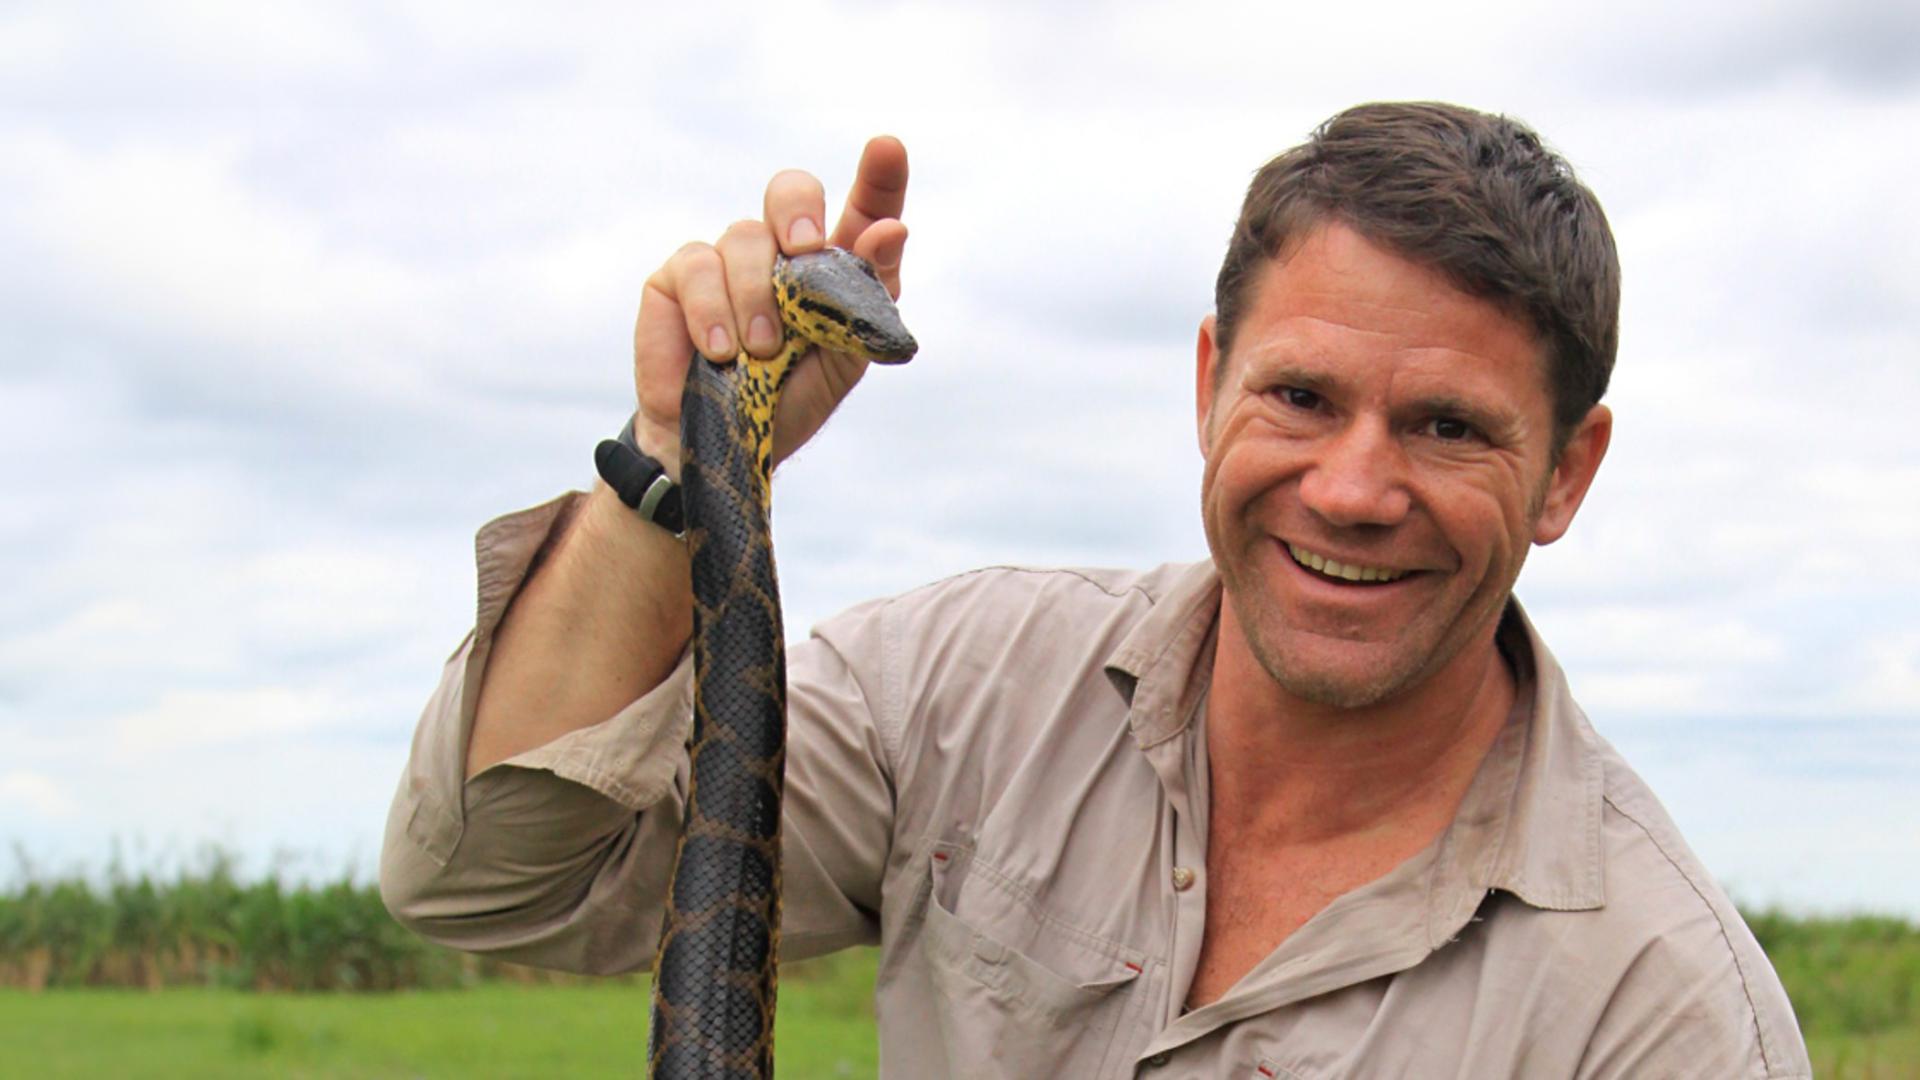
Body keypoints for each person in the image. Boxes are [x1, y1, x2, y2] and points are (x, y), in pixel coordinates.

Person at [381, 102, 1811, 1077]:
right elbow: (493, 883)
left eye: (1448, 425)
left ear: (1568, 472)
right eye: (1301, 395)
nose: (1355, 490)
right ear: (1207, 385)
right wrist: (674, 465)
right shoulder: (965, 687)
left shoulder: (1663, 1011)